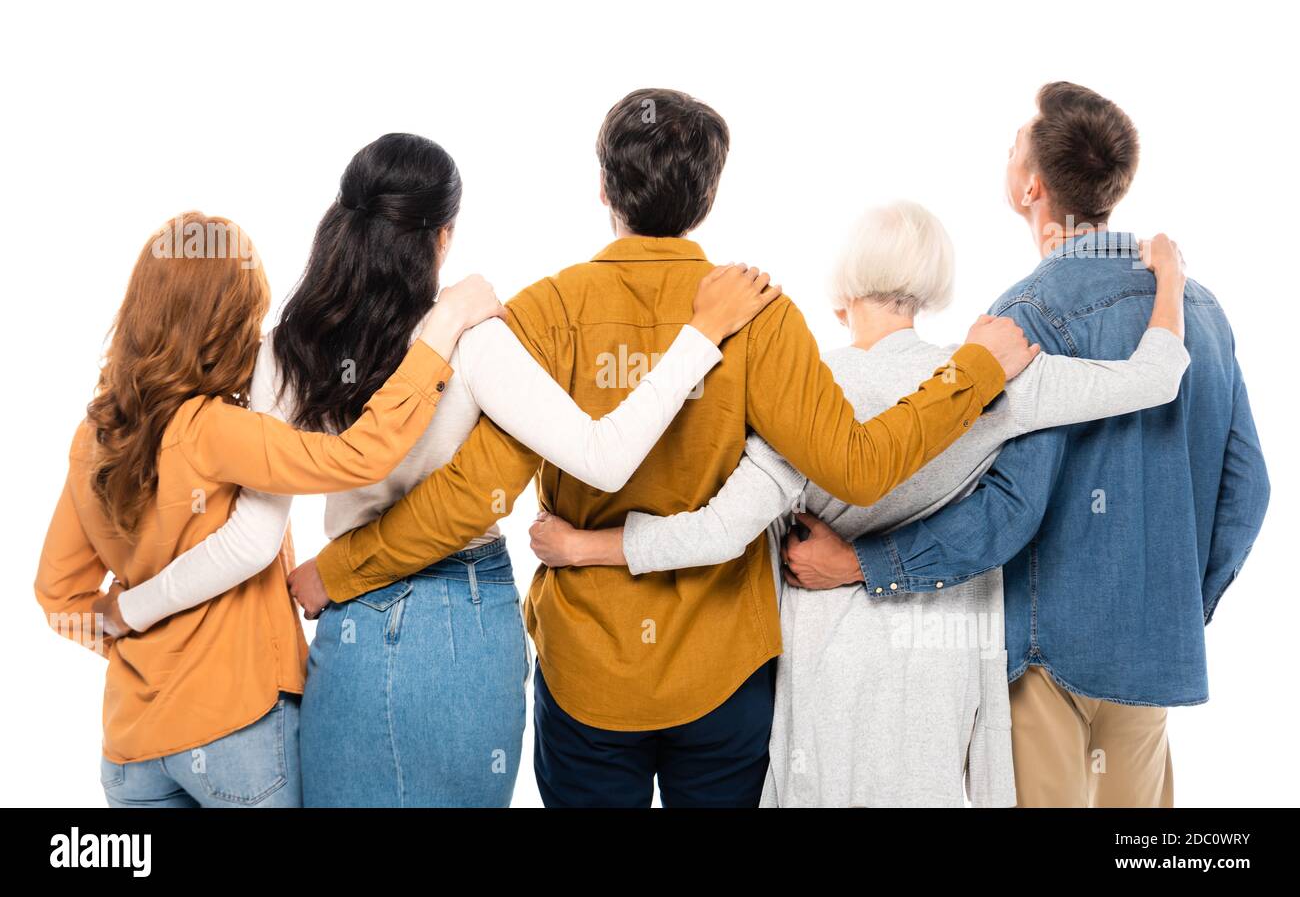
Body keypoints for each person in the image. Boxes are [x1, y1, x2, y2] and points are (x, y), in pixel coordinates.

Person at [289, 89, 1039, 808]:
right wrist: (975, 368)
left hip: (590, 675)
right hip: (725, 677)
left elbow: (469, 498)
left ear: (606, 189)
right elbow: (859, 466)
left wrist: (342, 566)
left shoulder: (549, 310)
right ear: (707, 197)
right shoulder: (758, 313)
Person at [102, 134, 779, 807]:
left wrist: (126, 610)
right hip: (465, 618)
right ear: (443, 236)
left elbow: (251, 540)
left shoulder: (288, 348)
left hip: (353, 620)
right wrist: (701, 335)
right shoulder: (475, 340)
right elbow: (605, 457)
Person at [529, 201, 1190, 807]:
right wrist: (1170, 279)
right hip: (942, 655)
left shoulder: (806, 396)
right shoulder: (998, 375)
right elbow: (1158, 377)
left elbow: (719, 531)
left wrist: (584, 545)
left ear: (842, 294)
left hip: (823, 660)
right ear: (933, 284)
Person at [782, 82, 1270, 807]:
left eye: (1014, 145)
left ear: (1030, 188)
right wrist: (1176, 603)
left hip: (1045, 661)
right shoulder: (1198, 308)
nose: (1006, 154)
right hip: (1151, 659)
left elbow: (1009, 509)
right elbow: (1247, 487)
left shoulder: (1025, 316)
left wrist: (862, 562)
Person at [34, 209, 506, 807]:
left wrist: (135, 634)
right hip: (239, 734)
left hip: (132, 754)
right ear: (228, 323)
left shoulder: (93, 437)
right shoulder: (217, 431)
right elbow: (362, 456)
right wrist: (444, 327)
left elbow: (59, 599)